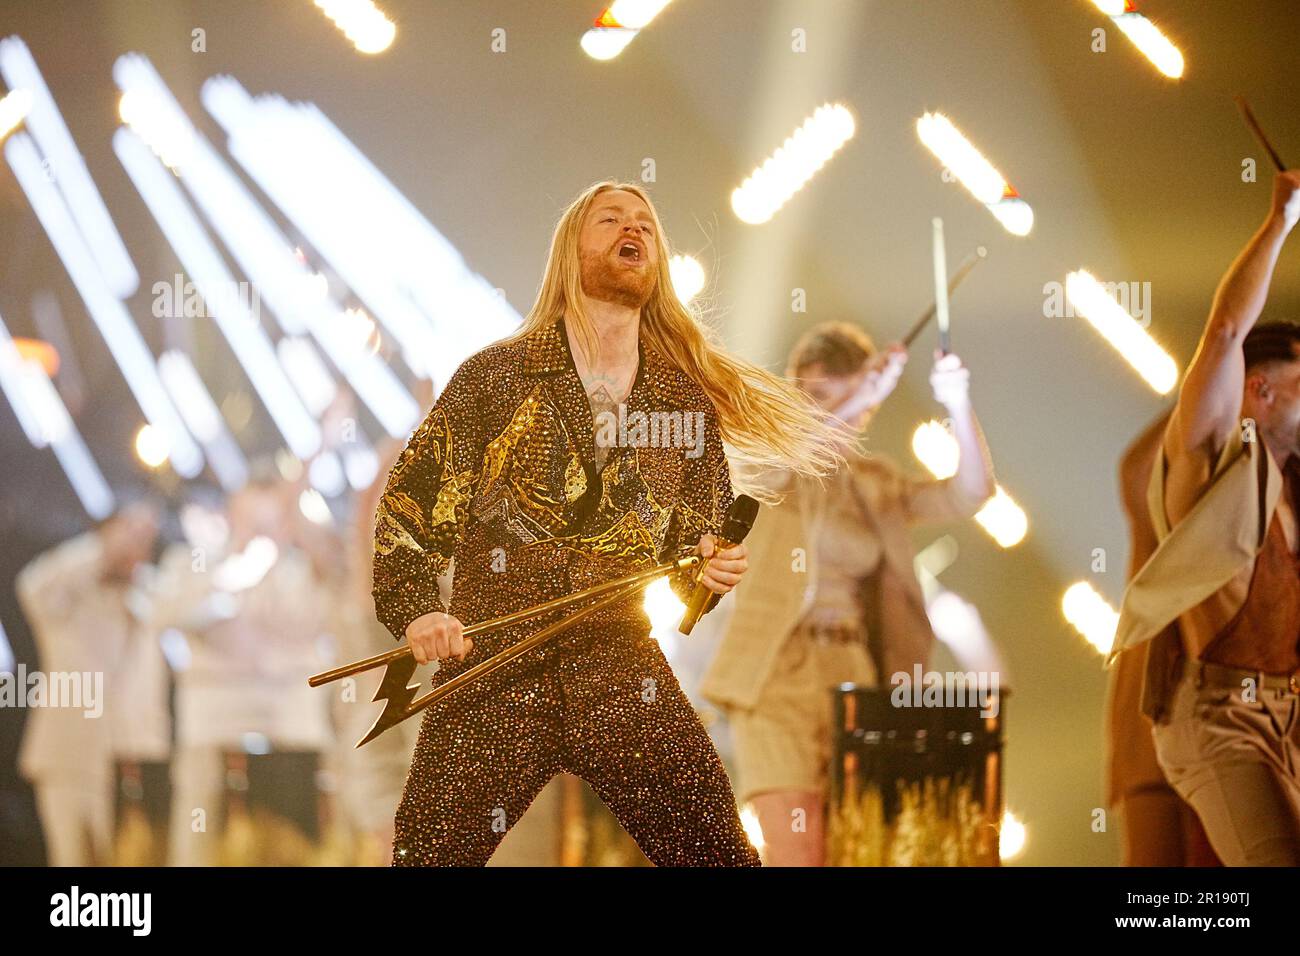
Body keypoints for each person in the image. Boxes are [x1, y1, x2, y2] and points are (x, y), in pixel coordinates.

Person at [373, 179, 844, 866]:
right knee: (427, 859)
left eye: (647, 223)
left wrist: (711, 569)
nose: (635, 228)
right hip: (496, 659)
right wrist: (418, 612)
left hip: (619, 663)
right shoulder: (496, 378)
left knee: (720, 857)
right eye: (612, 218)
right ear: (573, 251)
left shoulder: (679, 398)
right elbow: (408, 509)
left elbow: (694, 551)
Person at [699, 321, 995, 866]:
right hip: (775, 677)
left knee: (855, 849)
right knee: (797, 848)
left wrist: (957, 401)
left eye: (837, 394)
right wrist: (862, 390)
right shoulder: (773, 462)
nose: (822, 408)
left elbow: (971, 493)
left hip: (854, 670)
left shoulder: (877, 482)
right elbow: (796, 451)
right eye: (810, 394)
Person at [1113, 169, 1300, 866]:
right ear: (1261, 389)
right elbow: (1225, 332)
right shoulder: (1214, 458)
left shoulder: (1292, 479)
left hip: (1286, 713)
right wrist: (1280, 221)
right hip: (1218, 718)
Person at [153, 471, 336, 865]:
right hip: (211, 717)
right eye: (250, 522)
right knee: (201, 825)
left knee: (291, 834)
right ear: (231, 517)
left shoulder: (299, 573)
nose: (259, 534)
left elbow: (318, 624)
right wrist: (230, 578)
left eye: (268, 524)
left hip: (289, 721)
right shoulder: (191, 564)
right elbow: (166, 615)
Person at [16, 500, 169, 866]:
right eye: (127, 535)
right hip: (68, 755)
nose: (135, 546)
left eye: (143, 538)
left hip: (134, 757)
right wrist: (103, 547)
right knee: (70, 860)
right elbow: (32, 584)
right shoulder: (62, 599)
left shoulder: (148, 596)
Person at [1106, 412, 1218, 866]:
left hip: (1242, 733)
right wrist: (1218, 369)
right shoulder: (1163, 503)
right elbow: (1136, 473)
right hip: (1155, 727)